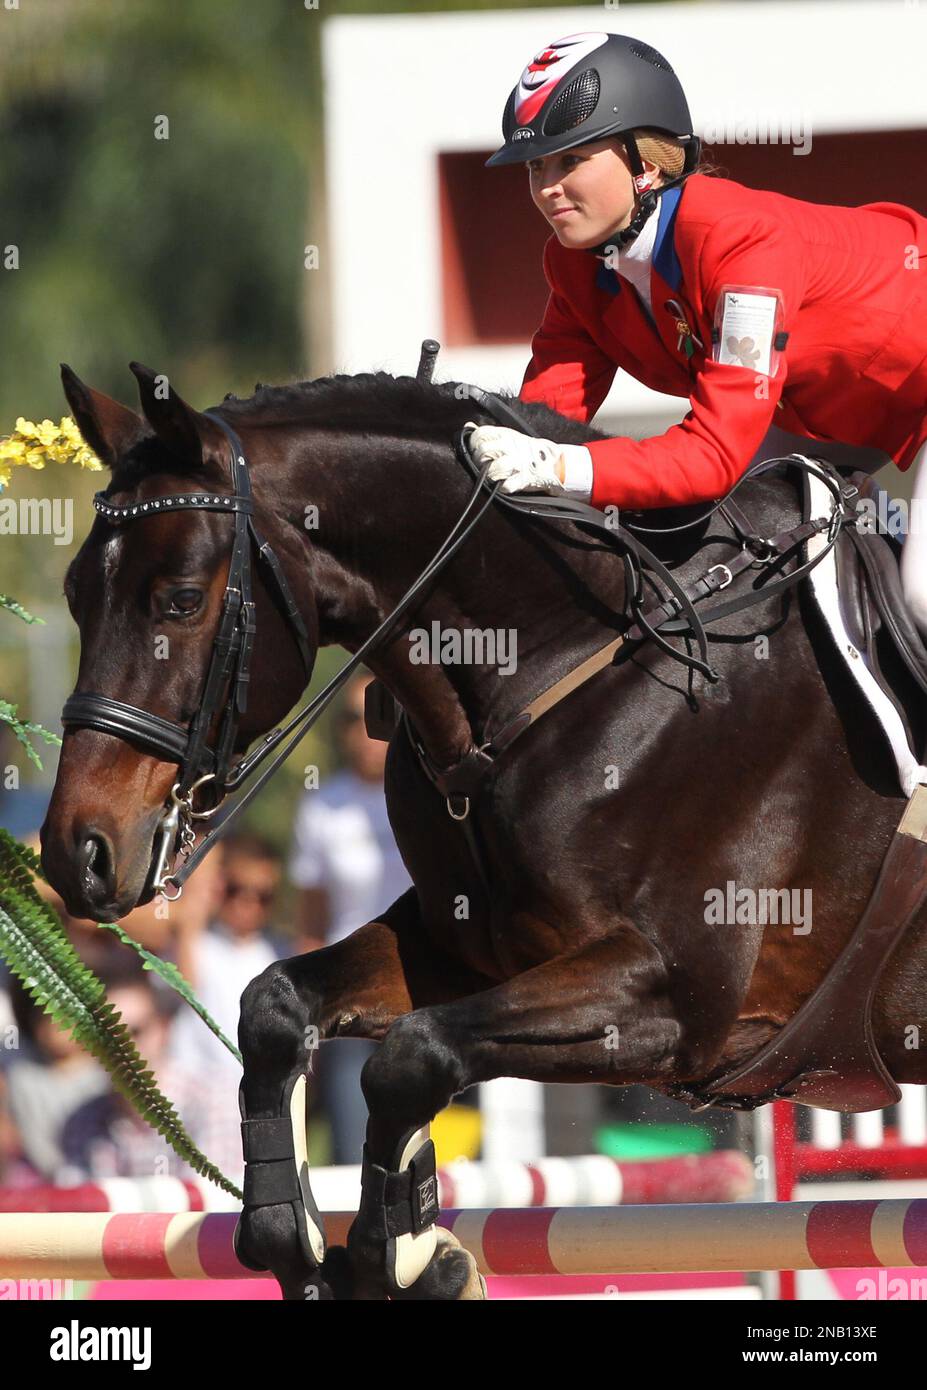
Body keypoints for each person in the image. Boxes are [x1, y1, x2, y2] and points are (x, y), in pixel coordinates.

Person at [468, 30, 927, 632]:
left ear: (645, 164)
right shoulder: (574, 264)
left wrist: (559, 468)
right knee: (717, 550)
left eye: (570, 160)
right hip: (832, 412)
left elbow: (711, 453)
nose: (546, 187)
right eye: (535, 166)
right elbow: (540, 420)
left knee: (921, 597)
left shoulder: (743, 245)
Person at [289, 669, 412, 1163]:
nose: (360, 731)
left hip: (425, 996)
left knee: (439, 1152)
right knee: (353, 1153)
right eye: (348, 720)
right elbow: (310, 926)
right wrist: (307, 1019)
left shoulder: (430, 797)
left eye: (374, 717)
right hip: (348, 1001)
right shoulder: (322, 808)